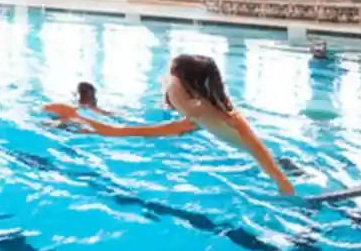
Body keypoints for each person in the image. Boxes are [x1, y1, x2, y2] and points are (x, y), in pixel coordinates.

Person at [46, 54, 295, 195]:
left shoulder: (225, 118)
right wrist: (77, 118)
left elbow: (257, 148)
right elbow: (125, 132)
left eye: (172, 82)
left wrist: (283, 185)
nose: (166, 85)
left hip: (282, 165)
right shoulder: (197, 116)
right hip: (270, 161)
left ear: (189, 88)